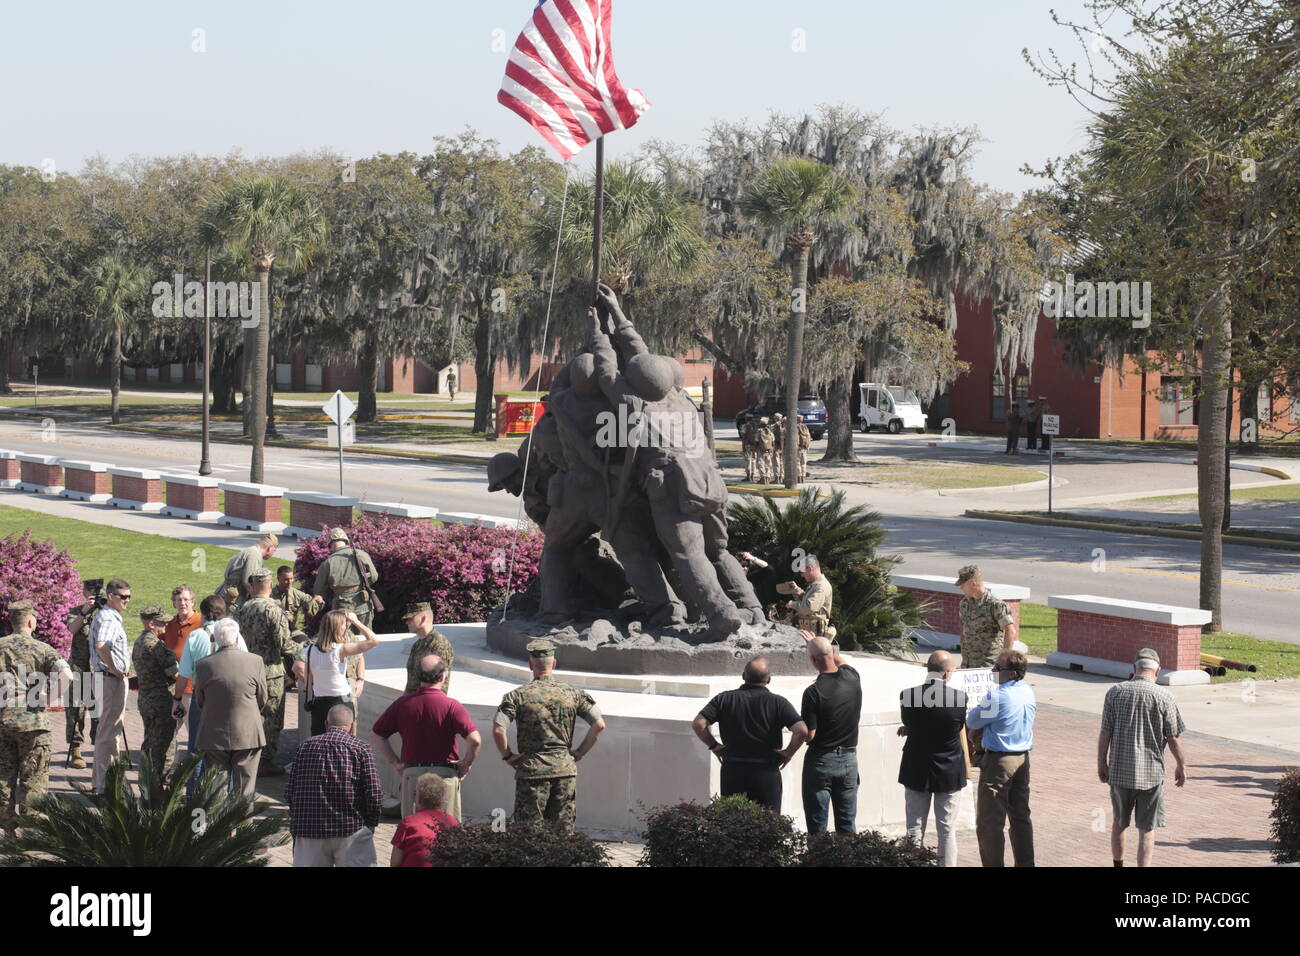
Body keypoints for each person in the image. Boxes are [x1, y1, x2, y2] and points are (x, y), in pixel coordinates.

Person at [493, 639, 604, 828]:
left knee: (529, 833)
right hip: (564, 770)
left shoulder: (516, 696)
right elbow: (599, 725)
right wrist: (579, 752)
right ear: (554, 664)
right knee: (562, 832)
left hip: (531, 771)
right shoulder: (573, 694)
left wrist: (508, 756)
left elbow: (498, 728)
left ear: (530, 665)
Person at [1098, 648, 1187, 867]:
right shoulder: (1165, 696)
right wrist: (1181, 765)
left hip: (1119, 771)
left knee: (1119, 822)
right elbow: (1173, 738)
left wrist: (1101, 761)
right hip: (1151, 774)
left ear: (1134, 668)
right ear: (1157, 671)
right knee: (1147, 828)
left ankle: (1118, 864)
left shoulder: (1115, 692)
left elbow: (1105, 732)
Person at [692, 657, 809, 813]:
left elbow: (698, 724)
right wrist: (788, 753)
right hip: (765, 769)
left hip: (733, 768)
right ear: (769, 680)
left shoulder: (724, 699)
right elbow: (801, 731)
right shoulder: (778, 702)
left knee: (732, 821)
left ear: (743, 676)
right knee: (768, 822)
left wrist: (714, 745)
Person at [372, 653, 481, 820]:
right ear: (443, 676)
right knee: (446, 833)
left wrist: (395, 762)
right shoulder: (452, 706)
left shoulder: (402, 704)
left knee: (412, 831)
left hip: (413, 774)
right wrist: (466, 762)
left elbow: (378, 735)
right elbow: (475, 740)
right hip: (444, 775)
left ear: (417, 676)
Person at [0, 602, 72, 834]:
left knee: (3, 777)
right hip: (33, 723)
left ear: (11, 622)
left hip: (3, 721)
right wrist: (48, 698)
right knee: (34, 778)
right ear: (31, 621)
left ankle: (8, 831)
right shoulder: (42, 649)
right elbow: (67, 675)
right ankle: (31, 835)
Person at [286, 703, 382, 867]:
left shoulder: (304, 747)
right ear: (352, 726)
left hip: (309, 829)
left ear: (326, 724)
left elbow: (290, 792)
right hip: (350, 829)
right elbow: (374, 793)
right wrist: (371, 823)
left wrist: (297, 821)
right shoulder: (361, 749)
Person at [897, 650, 968, 866]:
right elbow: (956, 726)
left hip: (916, 766)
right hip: (949, 769)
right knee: (946, 829)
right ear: (946, 673)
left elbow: (911, 722)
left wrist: (910, 729)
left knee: (914, 828)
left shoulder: (907, 696)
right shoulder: (959, 698)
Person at [967, 649, 1036, 867]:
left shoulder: (997, 697)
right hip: (1022, 760)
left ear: (1014, 673)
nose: (993, 671)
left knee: (990, 822)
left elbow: (972, 720)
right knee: (1021, 818)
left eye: (998, 668)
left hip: (999, 762)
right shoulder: (1027, 692)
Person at [236, 568, 302, 774]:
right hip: (270, 672)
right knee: (271, 718)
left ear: (252, 586)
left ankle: (248, 755)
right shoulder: (273, 610)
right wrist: (305, 648)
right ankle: (265, 761)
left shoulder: (243, 608)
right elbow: (284, 644)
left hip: (246, 670)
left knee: (249, 715)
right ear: (271, 586)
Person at [174, 594, 247, 782]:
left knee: (196, 749)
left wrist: (177, 699)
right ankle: (225, 799)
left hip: (203, 699)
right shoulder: (236, 637)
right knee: (228, 750)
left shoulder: (196, 636)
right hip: (231, 699)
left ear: (204, 615)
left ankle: (194, 797)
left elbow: (183, 675)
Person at [193, 619, 268, 799]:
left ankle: (217, 825)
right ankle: (244, 827)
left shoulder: (204, 665)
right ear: (236, 636)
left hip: (214, 734)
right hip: (248, 733)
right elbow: (262, 698)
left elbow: (200, 700)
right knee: (245, 789)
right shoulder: (255, 661)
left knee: (216, 788)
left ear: (216, 639)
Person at [799, 632, 862, 834]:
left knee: (817, 826)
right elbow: (840, 660)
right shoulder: (852, 678)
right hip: (849, 760)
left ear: (812, 661)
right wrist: (819, 644)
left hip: (821, 761)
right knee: (847, 825)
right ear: (833, 651)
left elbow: (811, 735)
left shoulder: (813, 692)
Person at [311, 528, 377, 705]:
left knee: (341, 644)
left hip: (341, 608)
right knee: (364, 640)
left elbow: (318, 589)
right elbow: (374, 577)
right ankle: (362, 676)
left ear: (331, 544)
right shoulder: (362, 555)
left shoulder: (329, 562)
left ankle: (348, 675)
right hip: (363, 605)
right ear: (346, 541)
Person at [294, 610, 378, 737]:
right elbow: (374, 640)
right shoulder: (340, 650)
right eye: (345, 624)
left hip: (319, 703)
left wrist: (314, 685)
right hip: (342, 701)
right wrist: (356, 621)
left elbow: (299, 670)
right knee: (345, 743)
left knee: (319, 743)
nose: (347, 627)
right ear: (338, 628)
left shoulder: (309, 650)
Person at [89, 577, 132, 793]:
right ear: (111, 596)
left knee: (109, 732)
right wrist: (114, 669)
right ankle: (104, 785)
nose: (127, 601)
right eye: (123, 597)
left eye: (129, 597)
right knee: (108, 733)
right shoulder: (107, 619)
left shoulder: (108, 616)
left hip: (108, 679)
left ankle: (106, 781)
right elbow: (101, 645)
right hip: (110, 680)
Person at [130, 605, 179, 781]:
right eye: (162, 623)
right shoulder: (157, 645)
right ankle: (157, 783)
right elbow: (175, 674)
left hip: (146, 699)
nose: (165, 626)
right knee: (163, 745)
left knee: (150, 741)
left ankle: (147, 779)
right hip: (162, 702)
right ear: (151, 624)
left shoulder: (139, 642)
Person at [63, 579, 103, 769]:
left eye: (97, 590)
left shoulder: (105, 612)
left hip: (98, 669)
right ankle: (76, 749)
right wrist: (84, 612)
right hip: (78, 668)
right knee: (75, 711)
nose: (94, 594)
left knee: (99, 711)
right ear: (84, 592)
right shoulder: (76, 611)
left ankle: (99, 748)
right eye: (90, 590)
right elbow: (72, 628)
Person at [390, 773, 459, 867]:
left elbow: (395, 863)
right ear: (443, 799)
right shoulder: (453, 822)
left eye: (415, 794)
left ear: (419, 799)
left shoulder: (408, 823)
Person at [955, 565, 1017, 670]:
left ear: (973, 584)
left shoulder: (996, 605)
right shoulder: (965, 603)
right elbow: (964, 627)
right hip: (967, 664)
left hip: (988, 665)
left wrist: (1005, 660)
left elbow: (1010, 631)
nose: (961, 588)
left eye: (963, 585)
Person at [401, 602, 455, 693]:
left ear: (423, 618)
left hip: (427, 703)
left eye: (410, 619)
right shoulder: (417, 645)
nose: (407, 622)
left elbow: (438, 685)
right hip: (413, 701)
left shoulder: (439, 645)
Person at [780, 555, 834, 638]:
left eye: (802, 572)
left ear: (809, 569)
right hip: (810, 633)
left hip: (816, 634)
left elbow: (809, 607)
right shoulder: (814, 585)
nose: (802, 575)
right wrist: (796, 589)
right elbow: (806, 600)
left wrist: (792, 604)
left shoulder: (821, 586)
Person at [223, 534, 278, 605]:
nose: (273, 554)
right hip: (232, 599)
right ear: (270, 548)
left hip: (228, 595)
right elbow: (249, 583)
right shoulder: (255, 555)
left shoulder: (252, 551)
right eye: (274, 551)